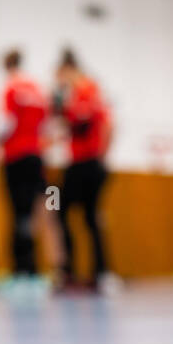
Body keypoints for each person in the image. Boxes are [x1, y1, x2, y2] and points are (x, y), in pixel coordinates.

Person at [52, 48, 113, 290]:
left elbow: (84, 124)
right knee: (79, 215)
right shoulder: (77, 93)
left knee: (71, 212)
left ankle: (84, 271)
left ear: (68, 70)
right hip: (80, 163)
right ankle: (90, 272)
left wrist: (101, 155)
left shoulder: (86, 89)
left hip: (86, 163)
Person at [0, 49, 54, 279]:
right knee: (43, 210)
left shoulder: (11, 88)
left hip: (16, 157)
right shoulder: (38, 90)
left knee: (20, 212)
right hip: (37, 158)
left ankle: (23, 269)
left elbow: (6, 124)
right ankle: (49, 269)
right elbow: (47, 127)